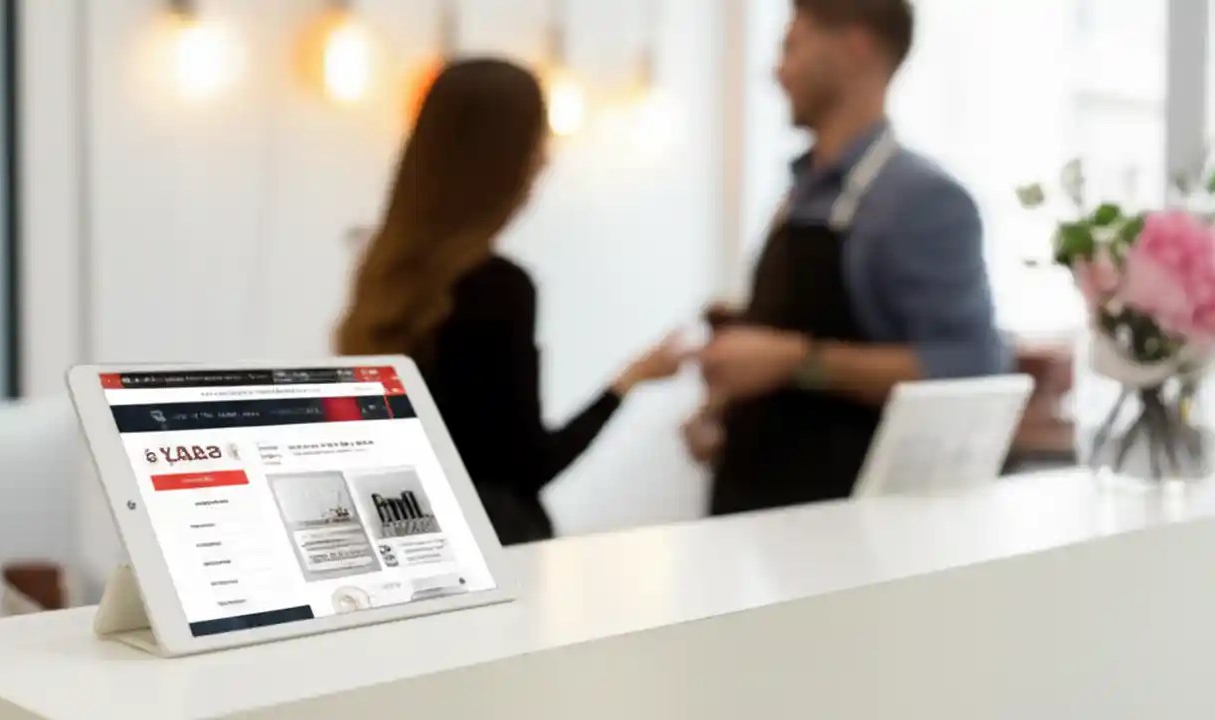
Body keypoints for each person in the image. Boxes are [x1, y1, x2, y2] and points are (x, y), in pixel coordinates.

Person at [336, 59, 683, 546]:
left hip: (409, 549)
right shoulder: (499, 289)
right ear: (505, 158)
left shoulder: (382, 277)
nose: (546, 159)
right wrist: (627, 383)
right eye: (539, 139)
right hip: (497, 553)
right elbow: (527, 467)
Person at [686, 0, 1008, 515]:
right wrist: (722, 411)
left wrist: (795, 362)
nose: (777, 71)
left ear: (856, 46)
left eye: (792, 46)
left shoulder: (919, 199)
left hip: (843, 528)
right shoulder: (801, 191)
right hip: (752, 515)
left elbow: (969, 368)